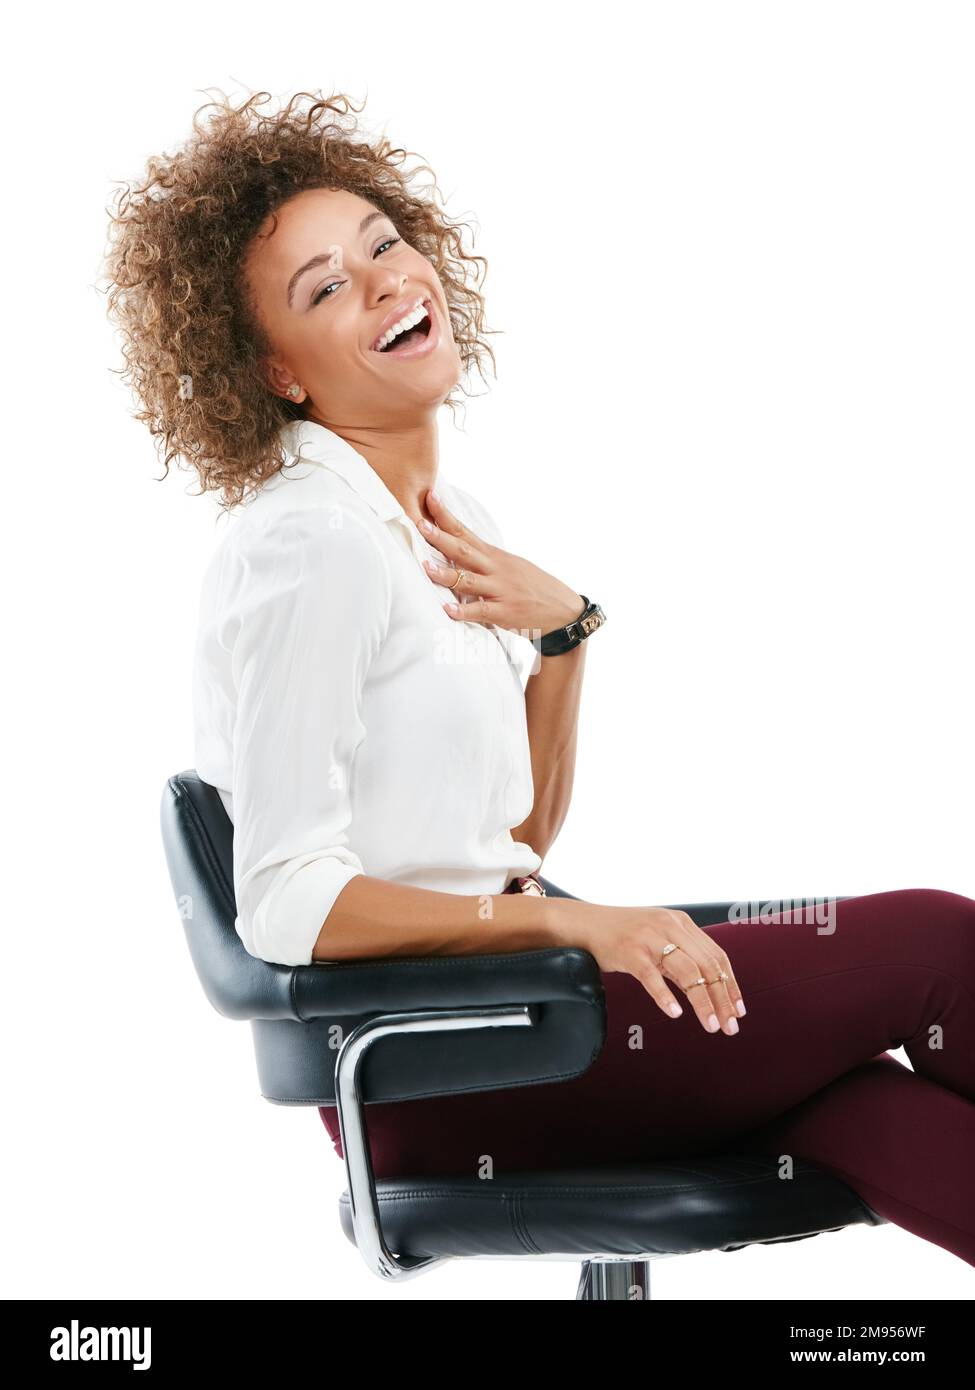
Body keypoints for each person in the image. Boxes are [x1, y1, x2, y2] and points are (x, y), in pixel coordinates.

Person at [103, 88, 975, 1270]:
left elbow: (502, 833)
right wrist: (576, 920)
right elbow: (288, 905)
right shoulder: (309, 546)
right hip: (452, 1067)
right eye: (324, 289)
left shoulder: (440, 528)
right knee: (940, 945)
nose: (384, 281)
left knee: (870, 1110)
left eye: (383, 243)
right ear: (275, 373)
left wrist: (565, 640)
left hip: (523, 1014)